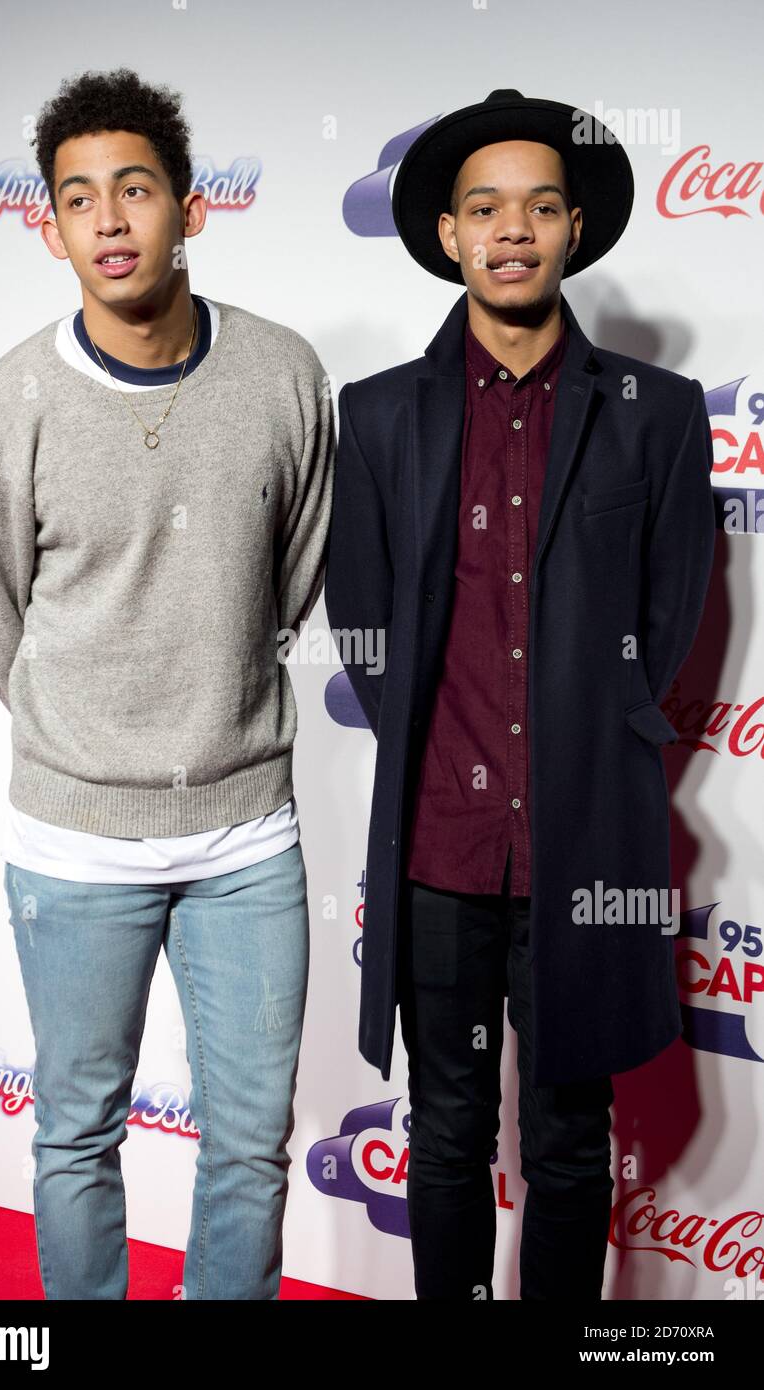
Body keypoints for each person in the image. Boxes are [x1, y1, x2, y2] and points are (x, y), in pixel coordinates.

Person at [0, 67, 335, 1300]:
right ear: (49, 226)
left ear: (189, 209)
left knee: (249, 1146)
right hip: (73, 844)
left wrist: (208, 693)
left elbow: (295, 575)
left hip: (244, 833)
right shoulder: (4, 411)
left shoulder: (281, 375)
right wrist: (92, 735)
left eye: (135, 191)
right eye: (77, 200)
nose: (108, 221)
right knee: (74, 1135)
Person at [324, 88, 715, 1300]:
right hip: (439, 847)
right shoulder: (379, 414)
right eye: (484, 208)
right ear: (447, 233)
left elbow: (671, 609)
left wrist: (597, 740)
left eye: (539, 206)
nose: (511, 230)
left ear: (572, 229)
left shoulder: (654, 417)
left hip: (581, 845)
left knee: (562, 1140)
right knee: (440, 1134)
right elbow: (362, 615)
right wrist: (432, 745)